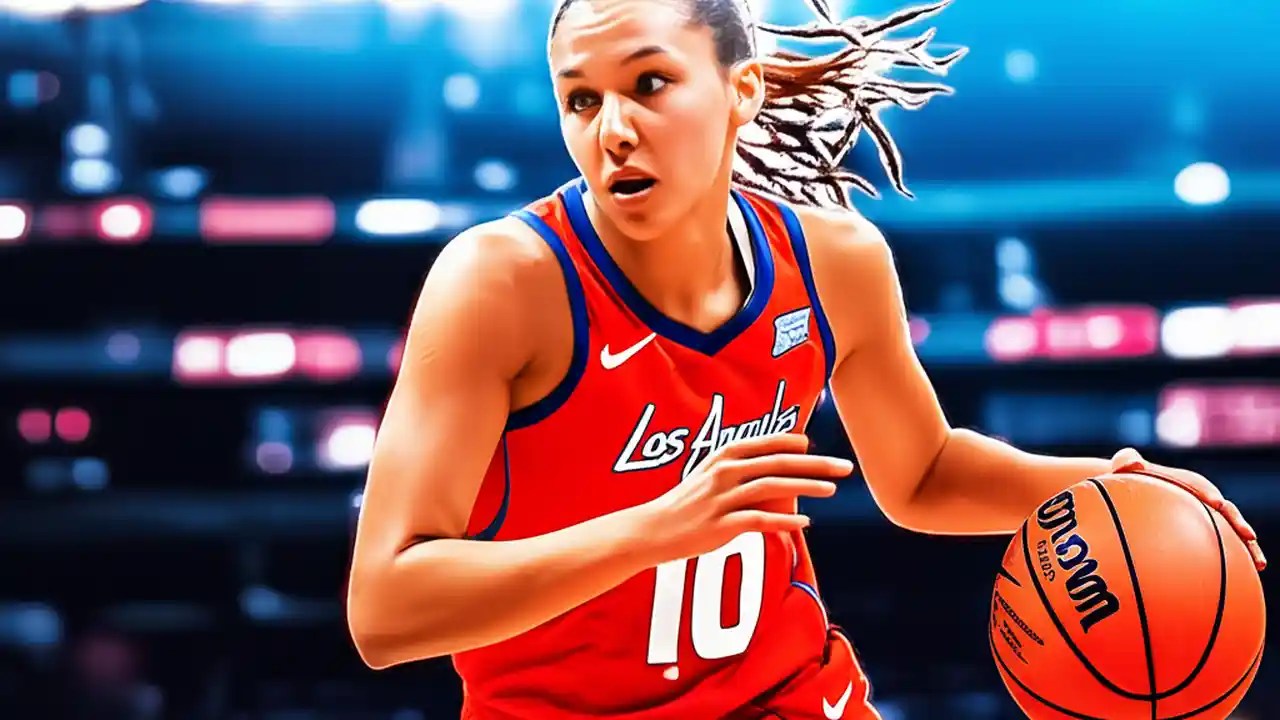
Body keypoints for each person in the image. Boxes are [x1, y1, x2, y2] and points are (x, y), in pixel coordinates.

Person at [345, 1, 1266, 718]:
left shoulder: (834, 262)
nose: (612, 128)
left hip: (792, 700)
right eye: (581, 98)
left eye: (650, 84)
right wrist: (653, 530)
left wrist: (1104, 486)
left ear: (740, 91)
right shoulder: (503, 282)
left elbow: (923, 472)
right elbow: (384, 611)